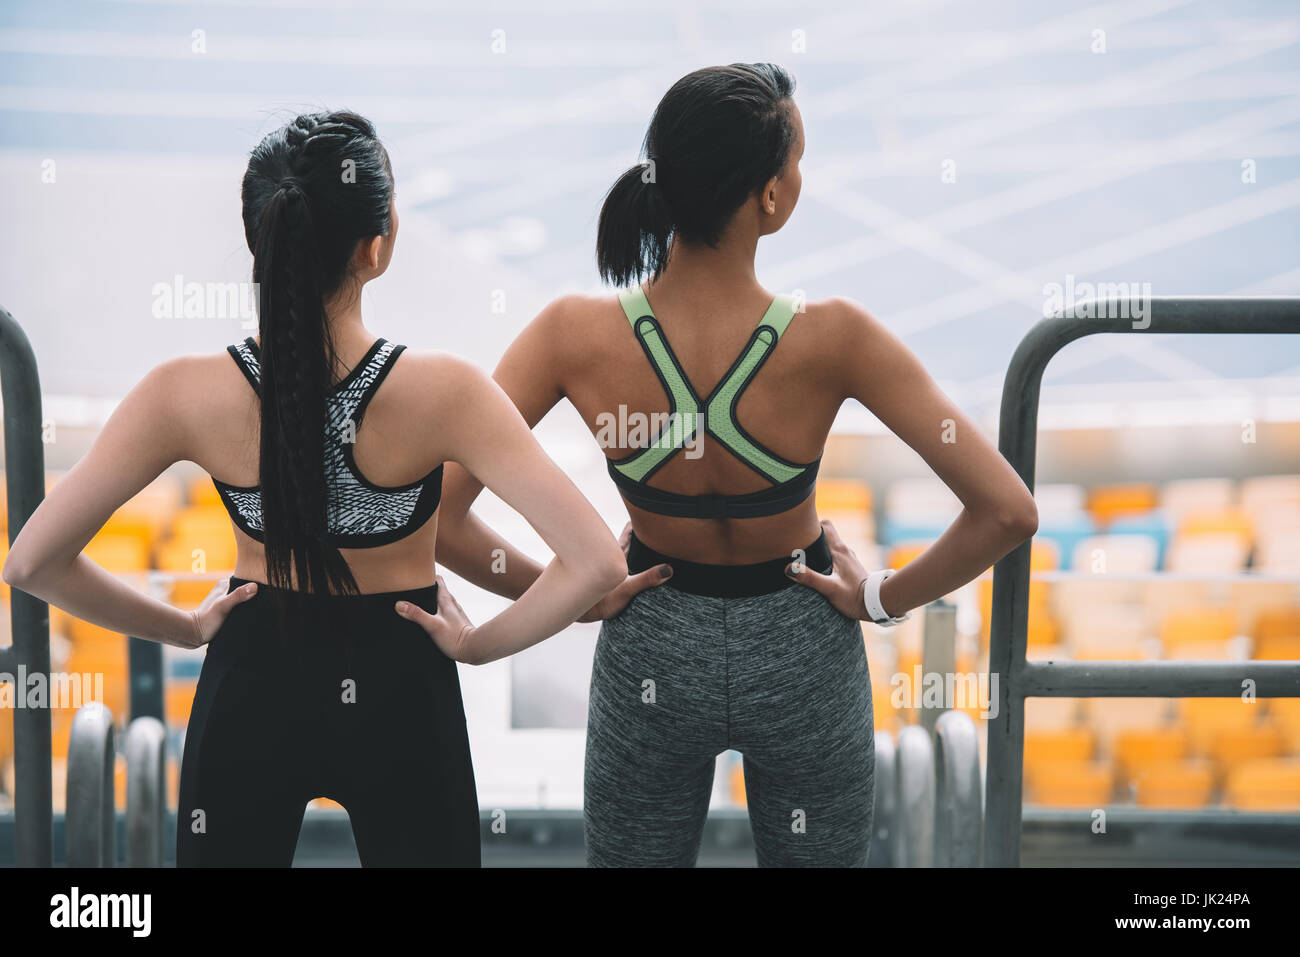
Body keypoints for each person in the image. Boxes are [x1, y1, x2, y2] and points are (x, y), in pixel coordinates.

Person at [436, 64, 1038, 867]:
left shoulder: (570, 336)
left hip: (650, 638)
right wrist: (878, 596)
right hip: (802, 646)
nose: (799, 178)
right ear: (769, 196)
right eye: (797, 162)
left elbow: (438, 516)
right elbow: (1007, 511)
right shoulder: (838, 338)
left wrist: (574, 594)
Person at [1, 111, 626, 867]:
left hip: (253, 675)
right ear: (378, 244)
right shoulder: (448, 392)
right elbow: (594, 561)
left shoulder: (180, 393)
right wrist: (477, 645)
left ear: (259, 238)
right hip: (403, 679)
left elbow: (33, 562)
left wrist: (187, 628)